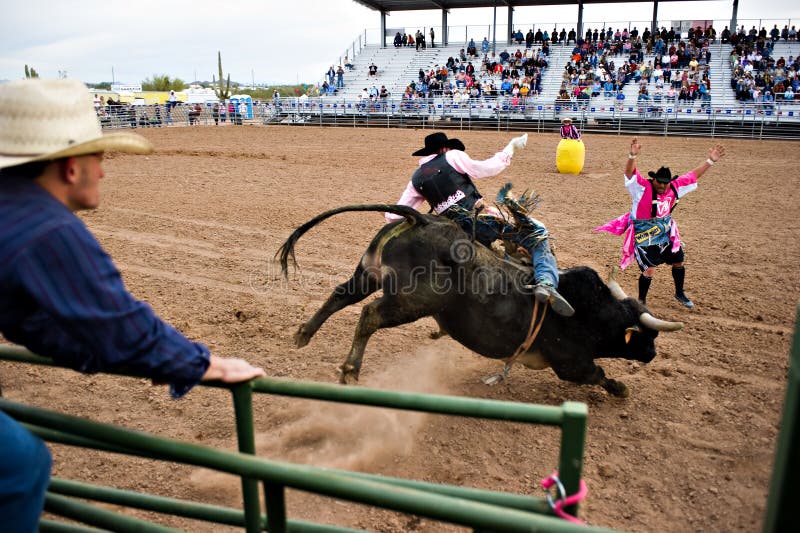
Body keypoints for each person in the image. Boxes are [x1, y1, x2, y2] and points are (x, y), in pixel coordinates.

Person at [0, 79, 266, 532]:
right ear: (70, 166)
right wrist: (206, 365)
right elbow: (118, 323)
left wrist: (92, 352)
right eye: (98, 158)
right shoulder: (48, 228)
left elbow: (31, 322)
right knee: (22, 465)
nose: (103, 171)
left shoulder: (14, 210)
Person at [385, 132, 574, 317]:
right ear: (444, 148)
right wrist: (510, 148)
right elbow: (486, 168)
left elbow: (393, 216)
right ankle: (546, 282)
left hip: (451, 233)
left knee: (502, 258)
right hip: (480, 222)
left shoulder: (416, 179)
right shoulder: (452, 156)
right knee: (538, 233)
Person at [594, 137, 726, 309]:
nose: (662, 186)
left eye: (665, 183)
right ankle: (641, 301)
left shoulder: (674, 187)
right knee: (649, 269)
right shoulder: (642, 187)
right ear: (653, 180)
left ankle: (679, 292)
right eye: (660, 182)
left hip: (664, 231)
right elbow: (630, 174)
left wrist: (710, 161)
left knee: (679, 260)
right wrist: (632, 157)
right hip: (643, 233)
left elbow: (693, 175)